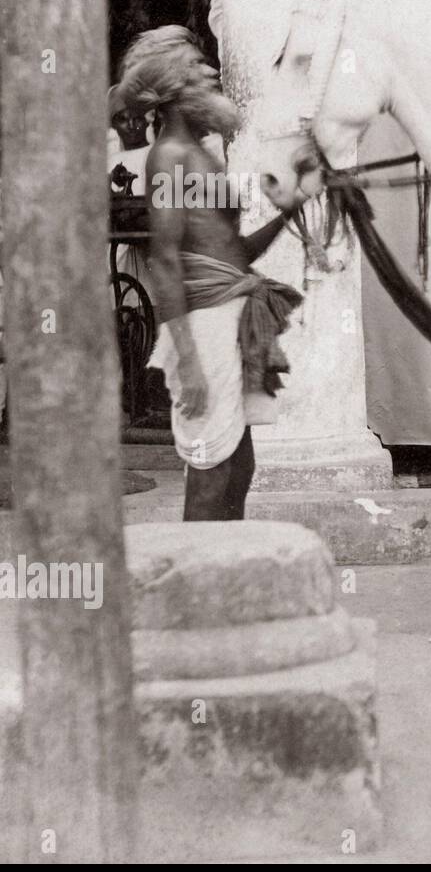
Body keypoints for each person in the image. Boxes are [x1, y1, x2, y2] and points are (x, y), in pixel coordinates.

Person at [117, 26, 301, 519]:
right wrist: (191, 363)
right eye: (198, 66)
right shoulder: (171, 157)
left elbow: (234, 254)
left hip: (230, 321)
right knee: (210, 468)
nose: (212, 72)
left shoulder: (201, 155)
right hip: (203, 329)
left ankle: (228, 574)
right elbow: (166, 258)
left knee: (238, 467)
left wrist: (290, 211)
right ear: (176, 89)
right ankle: (190, 585)